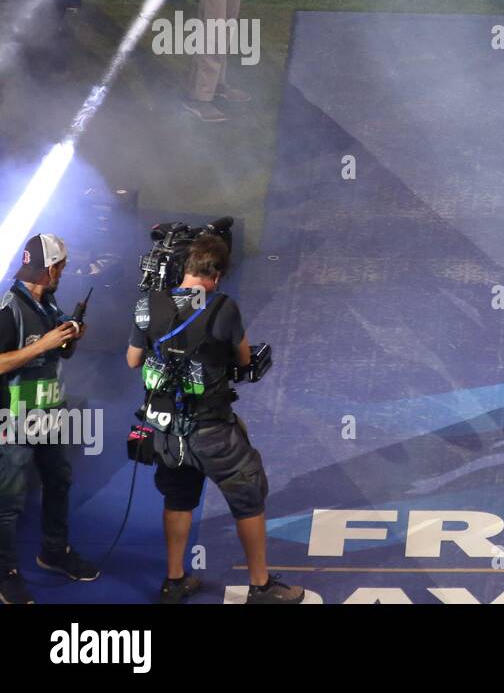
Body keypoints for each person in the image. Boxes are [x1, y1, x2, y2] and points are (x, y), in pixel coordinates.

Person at [125, 234, 303, 603]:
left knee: (177, 498)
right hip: (212, 430)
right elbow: (242, 360)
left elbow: (132, 360)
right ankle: (260, 585)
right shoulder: (223, 308)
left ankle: (174, 580)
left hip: (166, 430)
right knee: (248, 496)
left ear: (186, 267)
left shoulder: (148, 304)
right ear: (217, 275)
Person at [0, 234, 98, 606]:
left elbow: (58, 354)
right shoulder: (8, 308)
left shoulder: (48, 301)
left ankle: (54, 551)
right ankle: (5, 573)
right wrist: (41, 344)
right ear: (48, 267)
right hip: (14, 417)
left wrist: (69, 338)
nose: (63, 273)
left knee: (59, 479)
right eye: (60, 266)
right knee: (9, 500)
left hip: (49, 415)